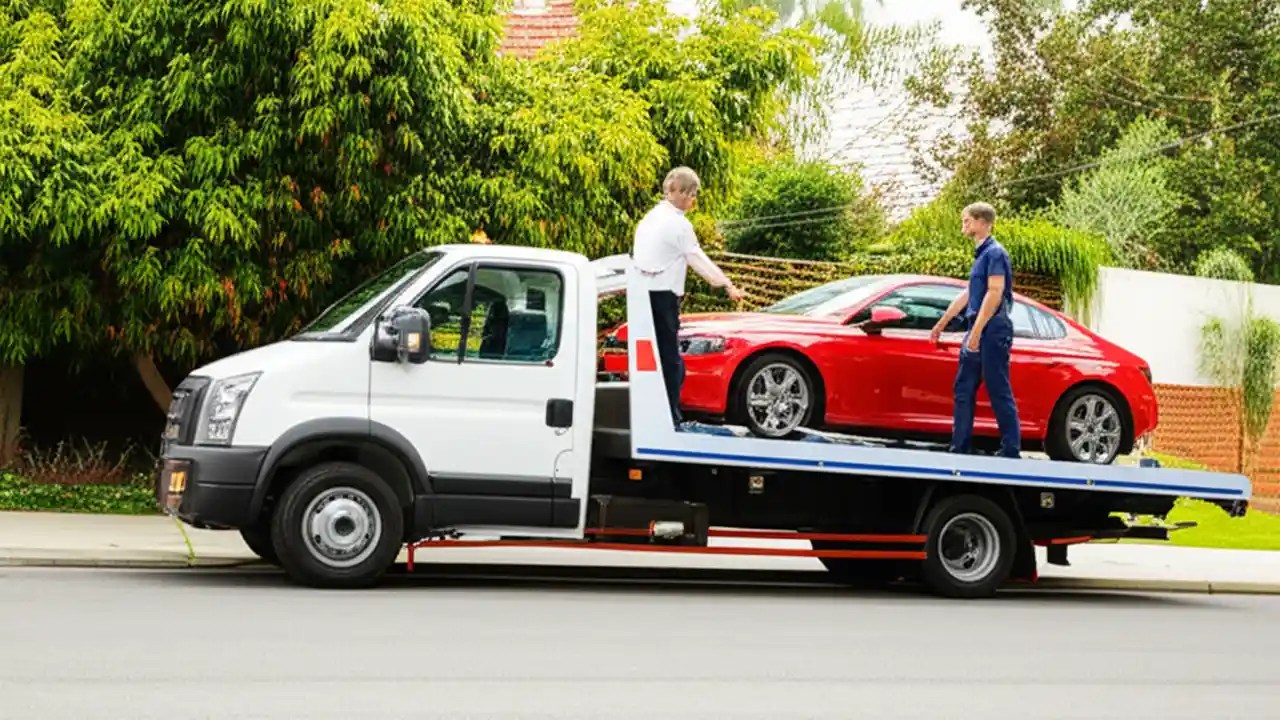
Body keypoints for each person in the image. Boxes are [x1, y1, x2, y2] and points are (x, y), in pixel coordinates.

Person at [632, 166, 746, 426]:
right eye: (692, 194)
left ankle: (653, 413)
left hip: (642, 294)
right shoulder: (678, 224)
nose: (692, 200)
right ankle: (670, 416)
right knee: (671, 362)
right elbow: (698, 259)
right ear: (679, 192)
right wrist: (727, 284)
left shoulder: (650, 218)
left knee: (652, 359)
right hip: (663, 297)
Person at [929, 202, 1021, 459]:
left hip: (992, 330)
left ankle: (1011, 449)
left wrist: (978, 331)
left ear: (983, 223)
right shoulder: (982, 255)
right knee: (964, 387)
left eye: (967, 221)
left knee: (997, 387)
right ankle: (960, 446)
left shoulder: (995, 254)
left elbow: (994, 293)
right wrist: (942, 322)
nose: (964, 226)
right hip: (978, 329)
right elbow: (970, 293)